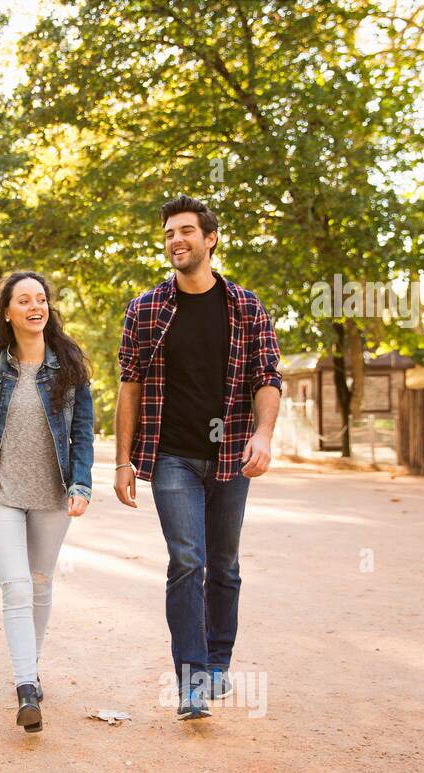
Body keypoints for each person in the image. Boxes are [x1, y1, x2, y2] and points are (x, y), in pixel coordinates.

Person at [113, 195, 282, 720]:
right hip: (173, 457)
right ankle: (190, 681)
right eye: (168, 233)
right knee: (188, 561)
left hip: (232, 454)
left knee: (224, 566)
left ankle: (217, 662)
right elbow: (130, 384)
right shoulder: (146, 309)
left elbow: (268, 377)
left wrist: (264, 435)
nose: (176, 240)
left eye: (186, 231)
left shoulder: (246, 307)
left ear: (210, 239)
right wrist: (123, 461)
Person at [0, 271, 94, 734]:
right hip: (1, 491)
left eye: (41, 299)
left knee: (40, 583)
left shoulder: (70, 363)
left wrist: (81, 483)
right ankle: (25, 688)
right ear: (8, 312)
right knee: (15, 585)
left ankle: (30, 668)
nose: (35, 306)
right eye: (24, 300)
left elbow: (82, 432)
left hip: (53, 493)